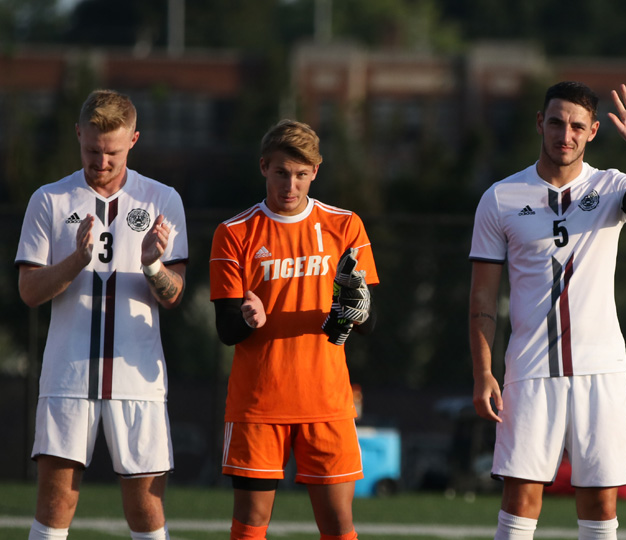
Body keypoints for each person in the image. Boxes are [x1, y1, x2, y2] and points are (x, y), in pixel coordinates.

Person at [469, 81, 626, 540]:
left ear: (593, 131)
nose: (565, 134)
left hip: (600, 369)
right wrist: (483, 371)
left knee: (600, 501)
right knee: (521, 496)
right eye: (557, 122)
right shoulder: (500, 198)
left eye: (577, 126)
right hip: (529, 368)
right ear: (539, 123)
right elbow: (483, 297)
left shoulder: (611, 187)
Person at [15, 89, 188, 540]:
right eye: (92, 150)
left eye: (112, 151)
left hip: (138, 379)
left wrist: (151, 263)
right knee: (55, 504)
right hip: (68, 374)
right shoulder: (50, 200)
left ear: (134, 139)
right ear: (78, 135)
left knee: (147, 508)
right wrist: (76, 260)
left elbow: (173, 297)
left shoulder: (162, 200)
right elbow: (29, 291)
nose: (102, 161)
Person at [209, 119, 377, 540]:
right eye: (282, 172)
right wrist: (248, 319)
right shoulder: (234, 233)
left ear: (315, 172)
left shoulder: (345, 227)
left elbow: (371, 321)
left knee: (339, 527)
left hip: (327, 401)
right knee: (249, 527)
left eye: (301, 174)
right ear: (264, 166)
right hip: (258, 404)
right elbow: (226, 330)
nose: (291, 184)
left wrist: (352, 310)